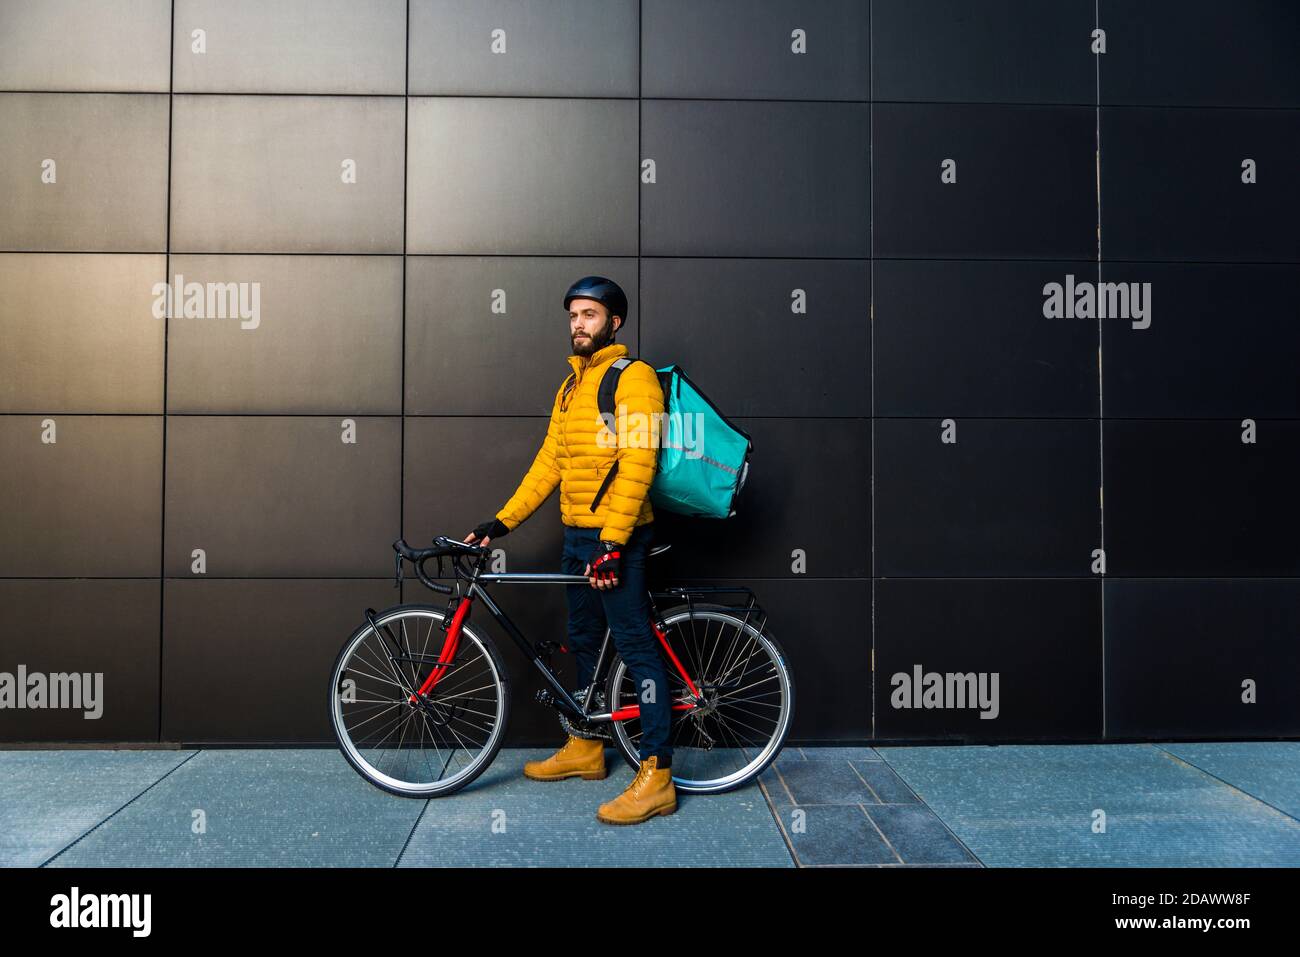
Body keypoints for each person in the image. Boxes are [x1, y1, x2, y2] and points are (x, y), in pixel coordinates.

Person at [463, 276, 675, 825]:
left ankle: (658, 773)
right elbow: (550, 465)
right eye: (573, 315)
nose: (578, 323)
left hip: (617, 537)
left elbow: (639, 462)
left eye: (589, 314)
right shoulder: (571, 387)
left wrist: (612, 543)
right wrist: (501, 522)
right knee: (584, 637)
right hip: (579, 535)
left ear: (615, 322)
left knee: (634, 645)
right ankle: (586, 748)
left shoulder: (635, 378)